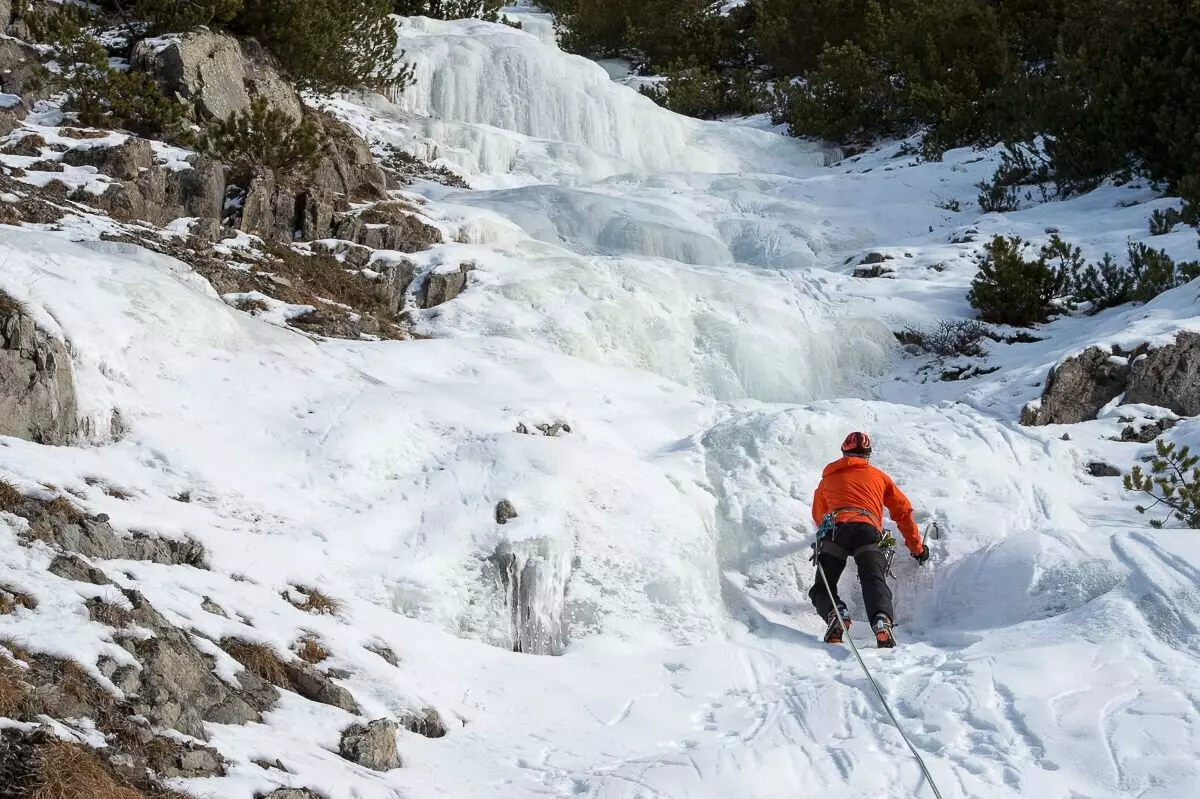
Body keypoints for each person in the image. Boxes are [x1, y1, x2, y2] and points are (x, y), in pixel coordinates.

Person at [809, 432, 929, 648]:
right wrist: (917, 549)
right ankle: (881, 620)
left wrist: (825, 537)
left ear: (844, 452)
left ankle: (835, 612)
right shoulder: (879, 477)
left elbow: (819, 515)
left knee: (822, 587)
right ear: (868, 455)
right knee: (873, 580)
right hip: (868, 531)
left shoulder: (828, 479)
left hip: (836, 532)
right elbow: (902, 512)